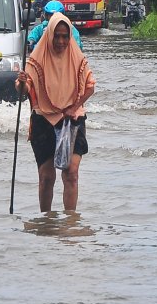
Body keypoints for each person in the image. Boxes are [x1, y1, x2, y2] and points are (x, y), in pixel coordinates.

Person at [15, 12, 96, 213]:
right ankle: (46, 222)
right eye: (57, 36)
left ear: (70, 37)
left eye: (65, 36)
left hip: (72, 119)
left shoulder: (77, 58)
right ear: (49, 35)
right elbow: (25, 91)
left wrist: (74, 106)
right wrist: (22, 83)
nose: (61, 41)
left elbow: (90, 86)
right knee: (46, 177)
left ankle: (70, 222)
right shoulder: (36, 59)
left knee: (71, 173)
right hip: (44, 119)